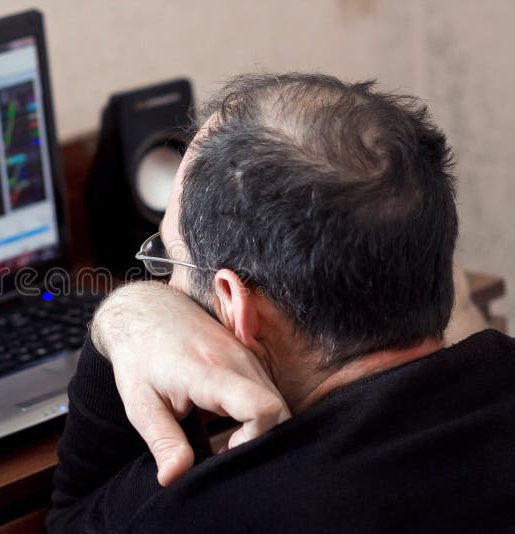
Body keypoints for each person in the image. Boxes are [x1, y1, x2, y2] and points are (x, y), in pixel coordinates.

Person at [47, 73, 515, 533]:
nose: (167, 285)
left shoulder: (219, 512)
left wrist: (124, 315)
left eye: (170, 260)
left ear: (235, 302)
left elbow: (76, 518)